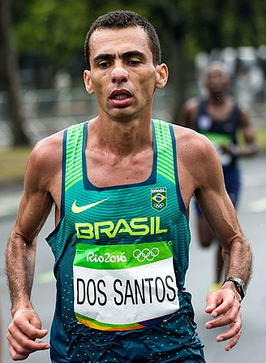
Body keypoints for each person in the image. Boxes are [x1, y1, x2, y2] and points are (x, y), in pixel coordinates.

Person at [6, 10, 252, 363]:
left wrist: (234, 287)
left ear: (160, 74)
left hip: (172, 350)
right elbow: (21, 238)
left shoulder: (191, 153)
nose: (119, 73)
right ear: (90, 80)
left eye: (133, 60)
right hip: (80, 353)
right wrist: (21, 304)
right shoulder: (51, 157)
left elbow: (236, 242)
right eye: (104, 63)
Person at [180, 62, 257, 291]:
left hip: (228, 178)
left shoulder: (238, 112)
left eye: (220, 77)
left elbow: (252, 146)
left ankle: (219, 284)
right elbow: (179, 139)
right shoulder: (193, 109)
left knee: (226, 234)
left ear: (228, 81)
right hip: (200, 179)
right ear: (205, 81)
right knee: (205, 240)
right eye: (211, 77)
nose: (215, 81)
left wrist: (234, 150)